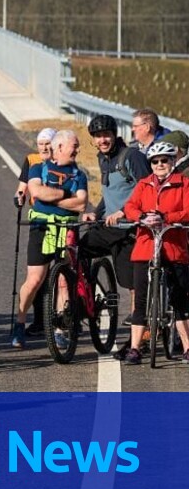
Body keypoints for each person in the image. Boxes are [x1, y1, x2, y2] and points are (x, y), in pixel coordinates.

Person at [13, 130, 88, 350]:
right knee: (35, 279)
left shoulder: (80, 174)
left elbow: (82, 204)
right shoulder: (38, 168)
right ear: (60, 147)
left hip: (68, 229)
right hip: (42, 228)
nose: (77, 149)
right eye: (74, 145)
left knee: (64, 280)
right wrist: (66, 195)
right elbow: (36, 193)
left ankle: (60, 329)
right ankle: (19, 321)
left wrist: (51, 198)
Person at [120, 141, 189, 365]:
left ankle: (187, 347)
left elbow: (187, 210)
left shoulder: (184, 183)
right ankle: (135, 349)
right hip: (145, 248)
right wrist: (141, 218)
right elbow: (130, 206)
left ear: (172, 162)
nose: (160, 164)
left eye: (164, 160)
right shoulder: (143, 184)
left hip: (174, 247)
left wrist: (165, 217)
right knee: (140, 302)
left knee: (180, 301)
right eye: (155, 161)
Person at [79, 114, 148, 334]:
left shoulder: (132, 156)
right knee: (77, 251)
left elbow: (147, 190)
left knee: (132, 283)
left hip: (129, 229)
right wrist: (95, 213)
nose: (102, 140)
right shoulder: (103, 158)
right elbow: (109, 193)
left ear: (114, 134)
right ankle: (88, 298)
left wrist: (124, 211)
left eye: (106, 135)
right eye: (97, 137)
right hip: (108, 226)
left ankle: (140, 328)